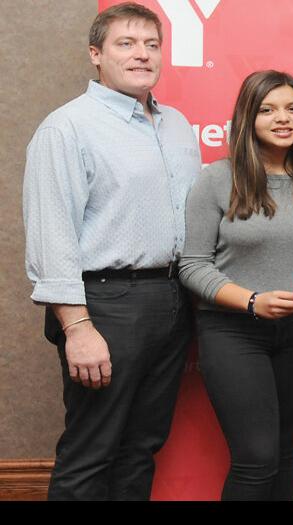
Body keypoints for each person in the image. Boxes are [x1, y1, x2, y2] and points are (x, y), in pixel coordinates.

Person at [22, 2, 201, 500]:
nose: (142, 55)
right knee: (91, 450)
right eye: (126, 43)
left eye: (151, 44)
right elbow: (51, 236)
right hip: (104, 305)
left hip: (171, 300)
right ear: (96, 54)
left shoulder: (177, 125)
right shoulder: (68, 128)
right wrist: (76, 327)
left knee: (141, 447)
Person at [179, 70, 293, 500]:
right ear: (247, 118)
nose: (282, 119)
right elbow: (193, 265)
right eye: (268, 110)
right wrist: (252, 302)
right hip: (233, 331)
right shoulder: (217, 179)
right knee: (256, 457)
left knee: (288, 450)